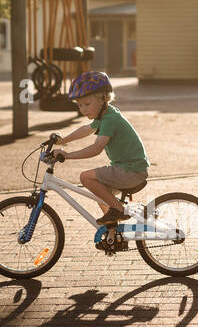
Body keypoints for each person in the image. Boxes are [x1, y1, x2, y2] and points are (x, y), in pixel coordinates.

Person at [51, 70, 150, 225]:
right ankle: (113, 234)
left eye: (87, 104)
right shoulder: (104, 115)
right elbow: (86, 129)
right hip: (127, 169)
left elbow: (96, 149)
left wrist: (67, 155)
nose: (83, 109)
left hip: (131, 171)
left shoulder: (110, 119)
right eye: (79, 105)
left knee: (86, 177)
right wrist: (63, 140)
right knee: (100, 194)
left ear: (103, 98)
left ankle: (120, 210)